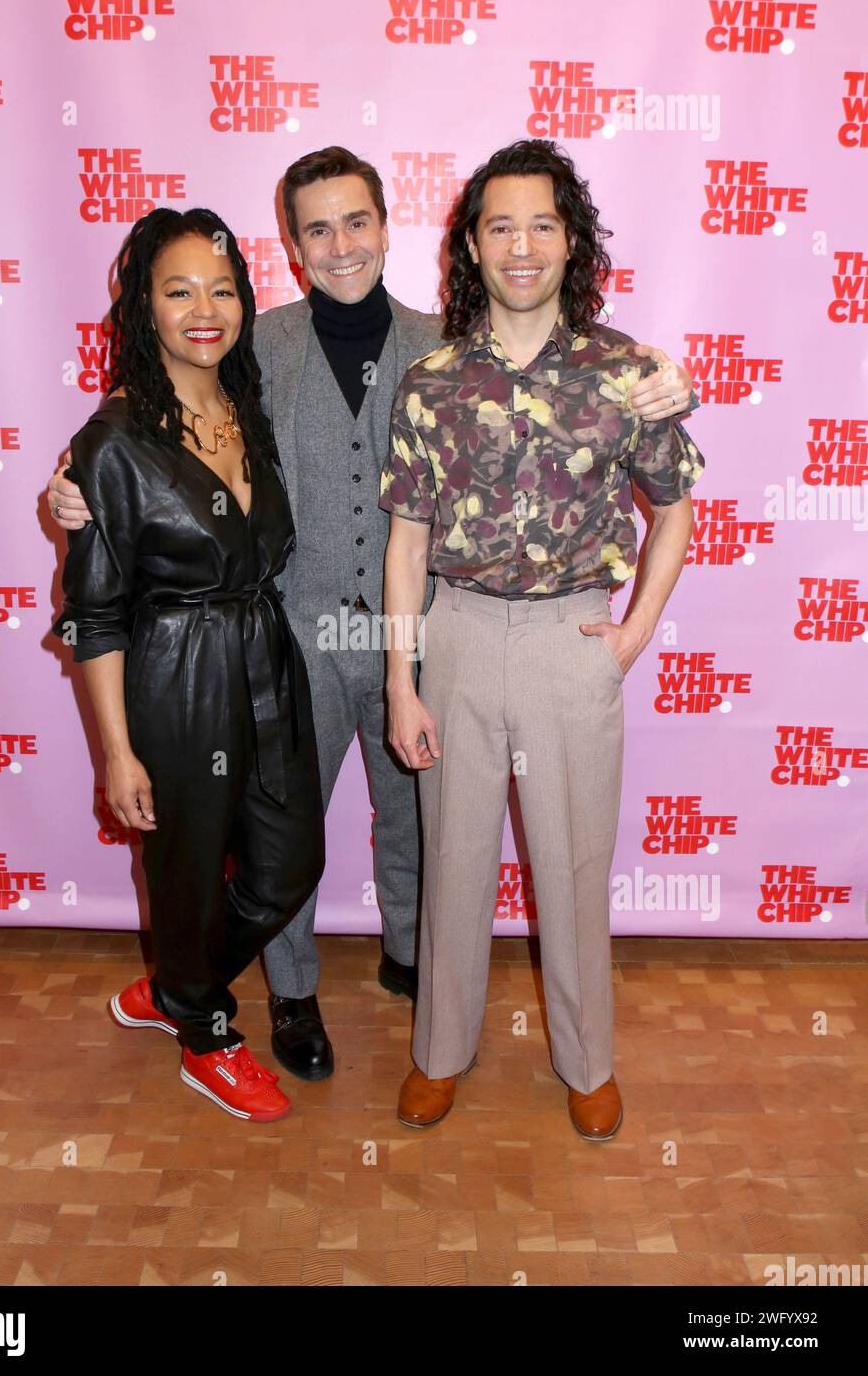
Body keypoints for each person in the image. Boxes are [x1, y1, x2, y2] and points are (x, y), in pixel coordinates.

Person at [47, 146, 698, 1085]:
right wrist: (75, 483)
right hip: (297, 634)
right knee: (287, 830)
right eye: (318, 228)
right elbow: (160, 410)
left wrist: (670, 384)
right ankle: (296, 991)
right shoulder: (255, 341)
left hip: (420, 629)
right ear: (294, 242)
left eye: (357, 221)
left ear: (387, 228)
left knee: (418, 818)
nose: (341, 244)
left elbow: (599, 408)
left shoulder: (442, 345)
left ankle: (408, 955)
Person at [379, 138, 705, 1139]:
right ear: (472, 246)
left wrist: (629, 636)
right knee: (455, 864)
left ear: (571, 242)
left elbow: (678, 505)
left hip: (573, 640)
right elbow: (405, 538)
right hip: (461, 634)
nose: (520, 245)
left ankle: (587, 1061)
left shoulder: (628, 372)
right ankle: (440, 1051)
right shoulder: (432, 381)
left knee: (570, 868)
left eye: (541, 224)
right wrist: (402, 676)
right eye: (499, 225)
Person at [51, 206, 325, 1123]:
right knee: (185, 863)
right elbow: (93, 615)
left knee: (291, 865)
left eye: (222, 289)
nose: (204, 309)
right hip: (174, 678)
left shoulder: (247, 406)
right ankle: (205, 1030)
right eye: (179, 291)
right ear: (146, 309)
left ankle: (175, 980)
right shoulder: (113, 442)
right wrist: (117, 753)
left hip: (266, 661)